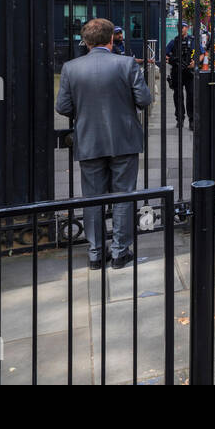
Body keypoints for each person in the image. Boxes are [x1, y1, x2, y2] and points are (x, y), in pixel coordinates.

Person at [55, 17, 152, 270]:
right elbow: (144, 99)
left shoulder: (70, 68)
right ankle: (120, 252)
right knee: (123, 195)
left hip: (88, 141)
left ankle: (96, 253)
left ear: (85, 42)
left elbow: (63, 106)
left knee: (93, 198)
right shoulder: (127, 64)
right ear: (111, 39)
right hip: (124, 139)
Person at [165, 21, 197, 130]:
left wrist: (195, 62)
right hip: (177, 72)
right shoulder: (173, 42)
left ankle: (192, 120)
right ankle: (180, 119)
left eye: (183, 27)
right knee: (178, 97)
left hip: (189, 73)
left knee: (191, 96)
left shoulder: (192, 41)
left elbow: (202, 53)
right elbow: (165, 55)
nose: (181, 29)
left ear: (187, 28)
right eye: (179, 27)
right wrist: (171, 60)